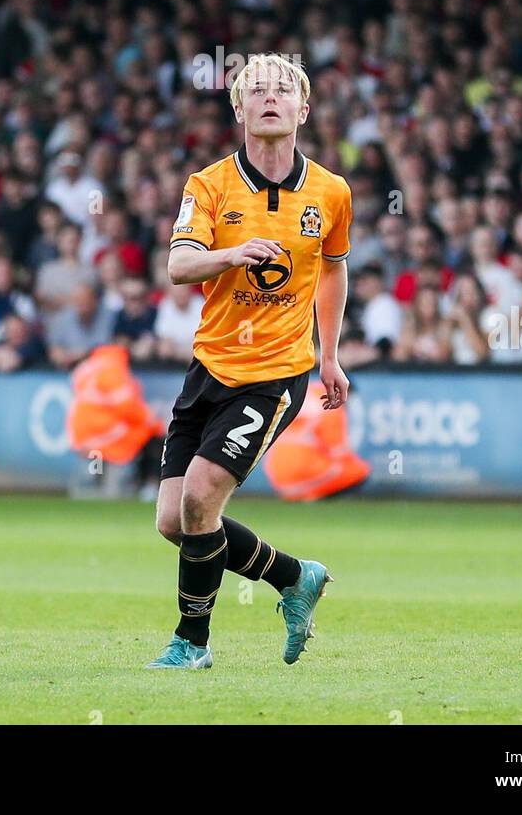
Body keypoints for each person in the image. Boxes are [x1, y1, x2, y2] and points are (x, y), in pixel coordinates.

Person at [146, 54, 351, 671]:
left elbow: (334, 269)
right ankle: (293, 577)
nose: (269, 97)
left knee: (203, 501)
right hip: (209, 366)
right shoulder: (207, 186)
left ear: (302, 111)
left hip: (276, 372)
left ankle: (192, 644)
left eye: (282, 90)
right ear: (237, 110)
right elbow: (179, 267)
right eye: (256, 90)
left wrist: (330, 357)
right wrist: (233, 253)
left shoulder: (331, 192)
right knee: (174, 521)